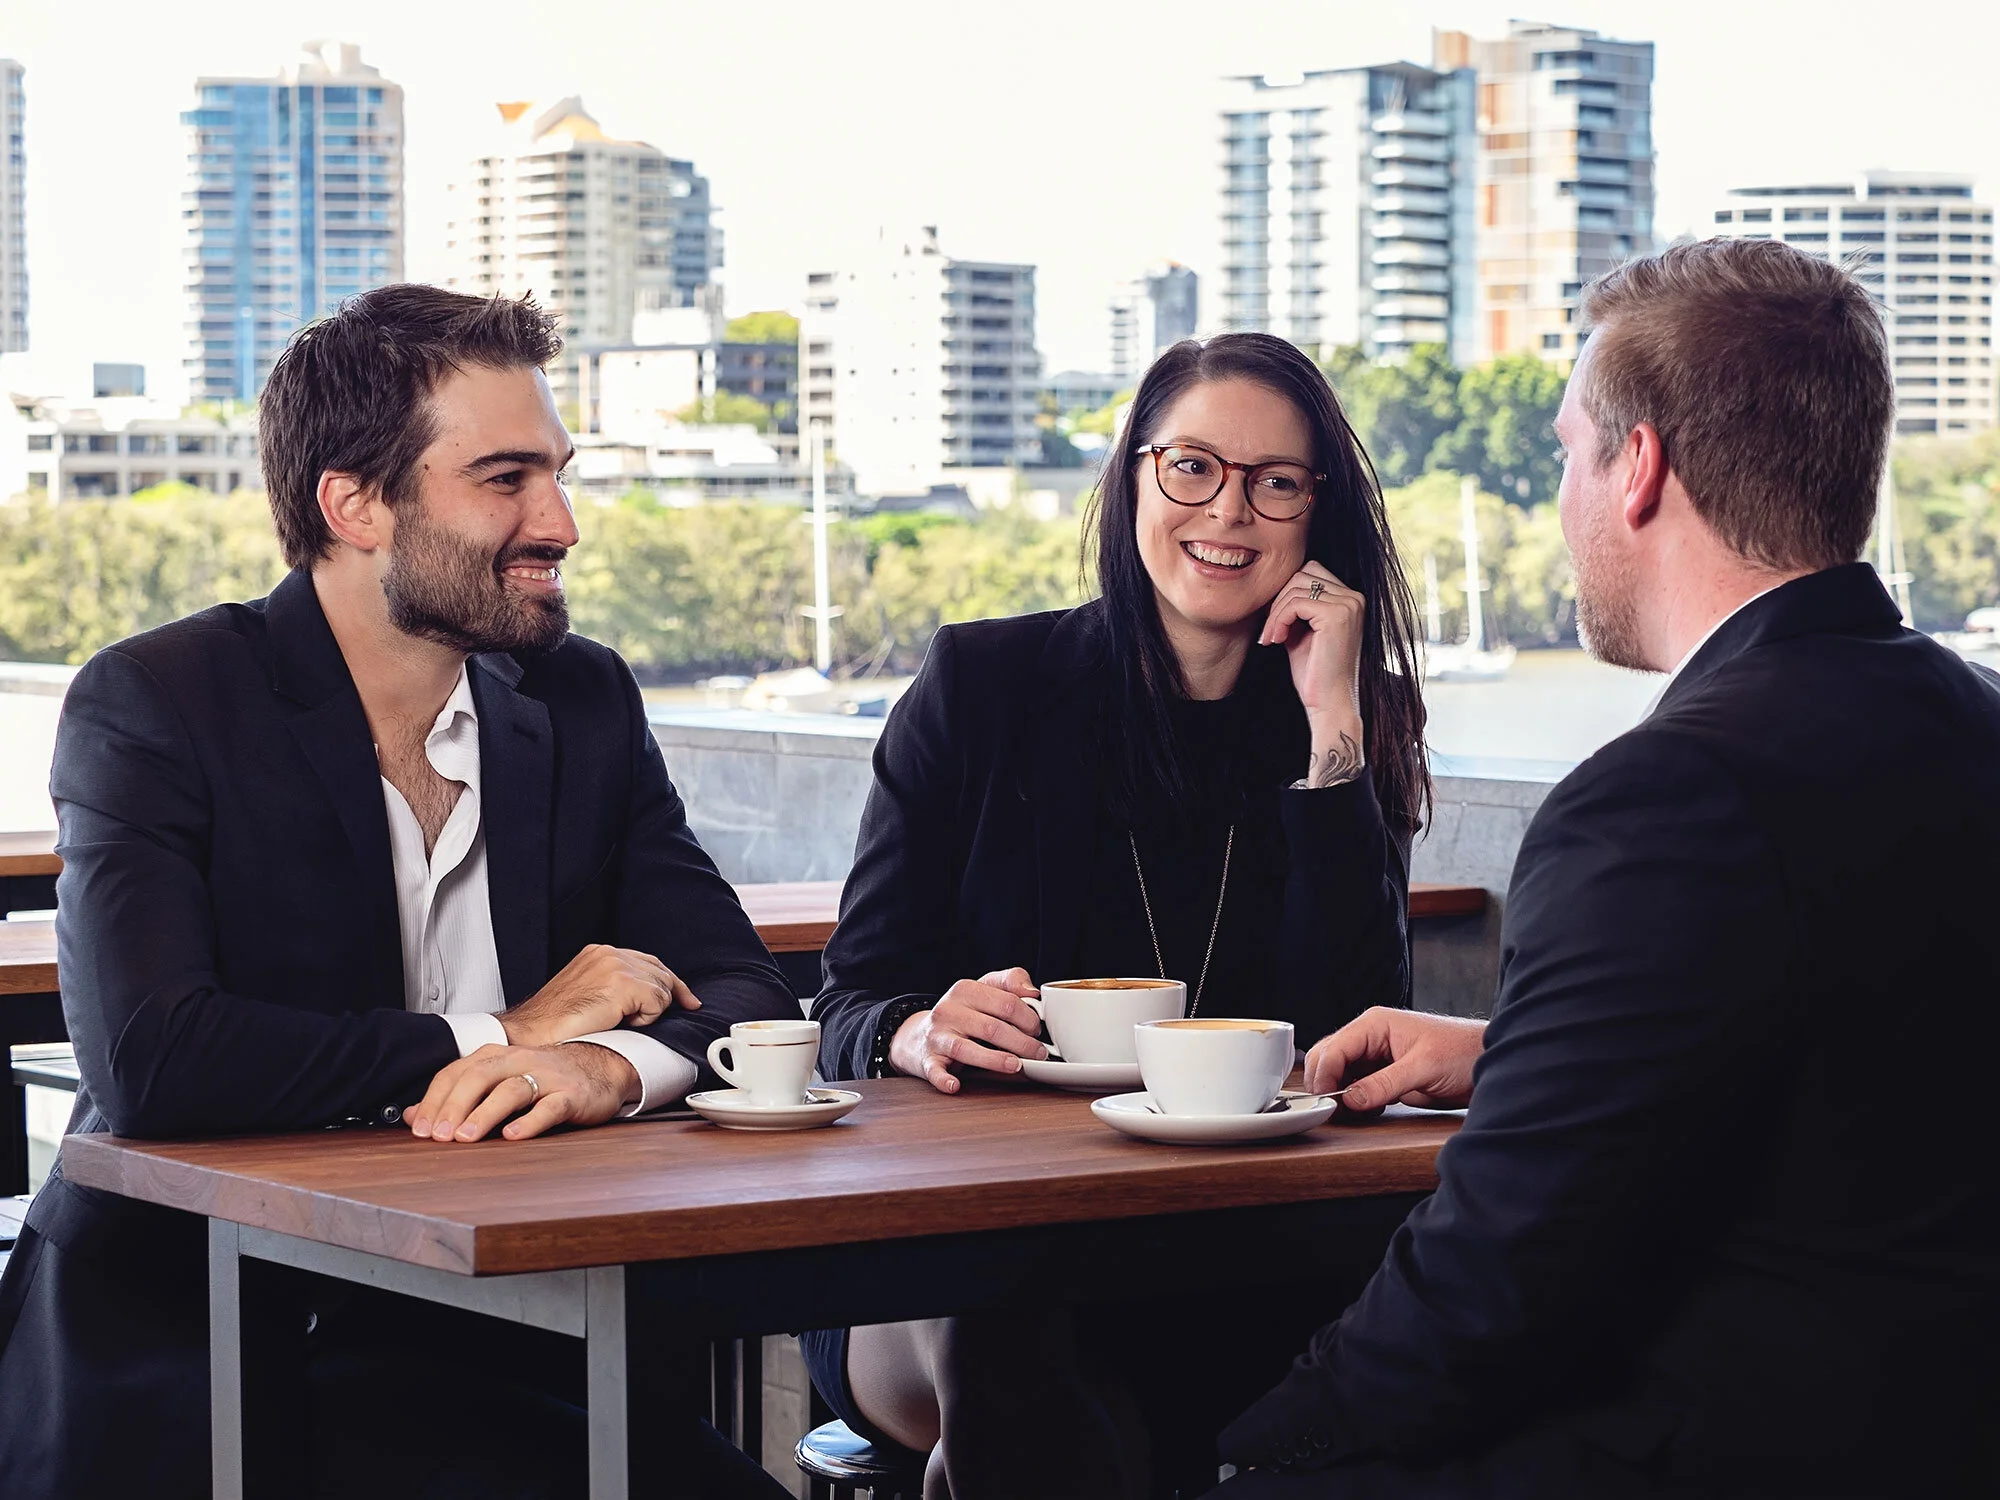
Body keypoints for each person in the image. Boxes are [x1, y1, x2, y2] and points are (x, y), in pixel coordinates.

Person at [1211, 239, 2000, 1498]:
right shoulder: (1970, 723)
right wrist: (1511, 1050)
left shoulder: (1664, 796)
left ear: (1638, 469)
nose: (1560, 495)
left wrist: (1246, 1450)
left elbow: (1484, 1296)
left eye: (1567, 453)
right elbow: (1863, 1063)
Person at [0, 286, 800, 1500]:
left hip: (510, 1324)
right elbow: (153, 1062)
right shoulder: (156, 701)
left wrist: (611, 1066)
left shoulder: (579, 699)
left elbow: (741, 984)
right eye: (506, 479)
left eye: (560, 475)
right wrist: (513, 1032)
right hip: (206, 1339)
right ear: (354, 503)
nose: (563, 523)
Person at [806, 332, 1432, 1498]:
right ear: (1134, 478)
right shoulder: (982, 688)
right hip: (964, 1247)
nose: (1227, 511)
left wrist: (1331, 730)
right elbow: (847, 995)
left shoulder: (1347, 722)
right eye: (1190, 466)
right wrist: (915, 1031)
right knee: (1015, 1335)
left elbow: (1351, 1027)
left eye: (1274, 482)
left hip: (1235, 1248)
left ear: (1314, 514)